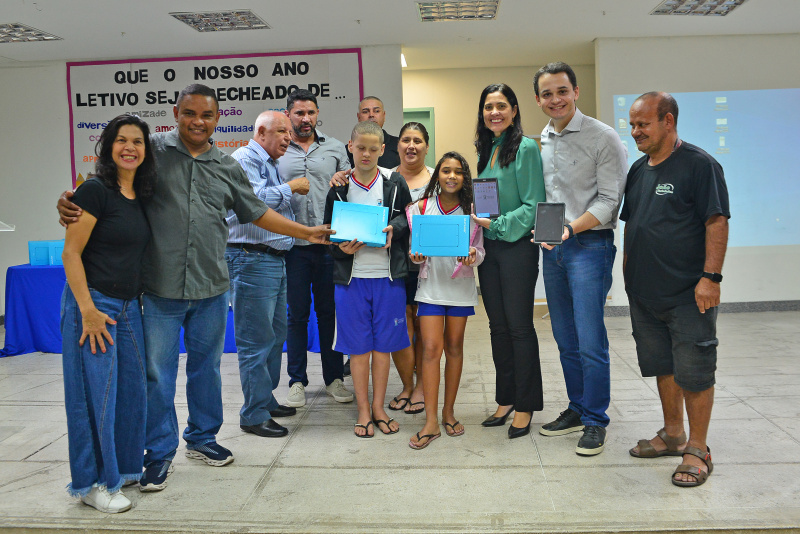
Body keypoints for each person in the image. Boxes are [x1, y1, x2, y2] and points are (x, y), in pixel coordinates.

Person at [58, 84, 333, 492]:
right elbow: (113, 180)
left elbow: (256, 212)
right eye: (189, 113)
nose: (197, 122)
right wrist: (70, 201)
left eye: (206, 115)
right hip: (159, 290)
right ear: (176, 112)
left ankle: (203, 439)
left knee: (206, 372)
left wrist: (306, 232)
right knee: (158, 376)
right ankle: (159, 452)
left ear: (217, 118)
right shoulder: (153, 151)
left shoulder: (226, 165)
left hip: (211, 287)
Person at [622, 92, 729, 487]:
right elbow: (634, 225)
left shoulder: (700, 165)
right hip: (645, 295)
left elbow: (716, 222)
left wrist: (710, 278)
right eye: (632, 125)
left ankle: (698, 449)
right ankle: (673, 433)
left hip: (688, 294)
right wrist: (629, 280)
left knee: (695, 370)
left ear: (668, 121)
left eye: (643, 124)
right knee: (663, 365)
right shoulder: (638, 170)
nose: (635, 132)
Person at [60, 114, 156, 513]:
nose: (129, 147)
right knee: (93, 398)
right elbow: (71, 253)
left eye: (137, 141)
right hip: (94, 305)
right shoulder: (95, 191)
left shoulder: (142, 195)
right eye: (121, 140)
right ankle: (92, 482)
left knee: (132, 395)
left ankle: (126, 469)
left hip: (130, 307)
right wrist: (88, 311)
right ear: (107, 146)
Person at [531, 62, 628, 456]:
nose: (555, 100)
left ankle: (595, 420)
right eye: (547, 94)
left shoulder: (603, 137)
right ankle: (577, 407)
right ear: (538, 99)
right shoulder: (543, 138)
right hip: (553, 248)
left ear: (576, 92)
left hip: (589, 247)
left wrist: (571, 230)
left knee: (590, 339)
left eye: (562, 91)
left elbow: (610, 202)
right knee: (565, 338)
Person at [323, 120, 412, 438]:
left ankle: (378, 407)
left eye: (373, 149)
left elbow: (407, 216)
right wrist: (342, 249)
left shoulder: (394, 181)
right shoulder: (338, 187)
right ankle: (362, 411)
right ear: (350, 147)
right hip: (351, 281)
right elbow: (329, 236)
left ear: (383, 150)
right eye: (360, 147)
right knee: (358, 350)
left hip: (387, 278)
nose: (366, 154)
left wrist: (395, 229)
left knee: (383, 348)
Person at [225, 111, 309, 439]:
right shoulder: (243, 159)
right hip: (250, 260)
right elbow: (253, 202)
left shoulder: (270, 163)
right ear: (261, 131)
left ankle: (265, 398)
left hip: (273, 260)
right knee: (255, 340)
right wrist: (289, 188)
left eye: (289, 133)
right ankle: (253, 414)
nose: (289, 138)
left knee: (275, 335)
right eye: (282, 132)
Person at [471, 83, 546, 439]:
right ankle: (505, 398)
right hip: (490, 249)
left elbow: (533, 205)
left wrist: (497, 225)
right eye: (488, 107)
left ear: (514, 110)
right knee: (497, 327)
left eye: (501, 106)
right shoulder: (486, 149)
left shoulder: (526, 147)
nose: (494, 112)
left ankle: (526, 403)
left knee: (519, 326)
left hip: (516, 246)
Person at [279, 89, 353, 409]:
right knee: (296, 316)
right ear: (289, 116)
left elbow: (354, 187)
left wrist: (346, 177)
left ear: (317, 113)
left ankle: (334, 377)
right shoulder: (278, 150)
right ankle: (296, 381)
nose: (306, 118)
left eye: (311, 112)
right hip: (294, 246)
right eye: (299, 113)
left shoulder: (336, 148)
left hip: (329, 245)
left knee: (329, 315)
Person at [406, 152, 484, 450]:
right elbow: (416, 251)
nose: (452, 176)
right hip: (429, 290)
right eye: (446, 171)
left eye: (458, 172)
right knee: (429, 350)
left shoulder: (472, 211)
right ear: (437, 175)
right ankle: (430, 422)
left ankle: (448, 412)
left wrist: (475, 256)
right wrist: (416, 256)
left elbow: (479, 250)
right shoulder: (421, 208)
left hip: (460, 290)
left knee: (454, 348)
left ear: (465, 177)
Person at [385, 122, 433, 415]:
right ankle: (406, 384)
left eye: (417, 140)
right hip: (393, 263)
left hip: (430, 265)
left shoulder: (438, 179)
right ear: (398, 145)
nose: (411, 146)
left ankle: (421, 387)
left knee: (424, 324)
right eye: (405, 140)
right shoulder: (386, 178)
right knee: (401, 323)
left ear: (427, 146)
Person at [346, 96, 400, 168]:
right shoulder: (346, 151)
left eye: (376, 111)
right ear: (358, 117)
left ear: (384, 115)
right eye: (365, 112)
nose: (371, 115)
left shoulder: (399, 146)